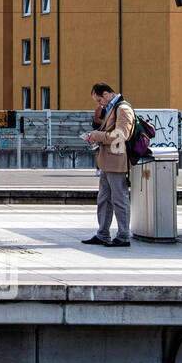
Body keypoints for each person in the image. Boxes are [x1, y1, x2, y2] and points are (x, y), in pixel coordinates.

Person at [81, 81, 135, 248]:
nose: (99, 104)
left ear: (106, 94)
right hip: (107, 160)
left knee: (119, 198)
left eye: (99, 100)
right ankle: (103, 233)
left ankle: (123, 235)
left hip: (117, 160)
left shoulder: (123, 108)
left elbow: (121, 134)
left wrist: (97, 135)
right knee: (104, 199)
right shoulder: (112, 108)